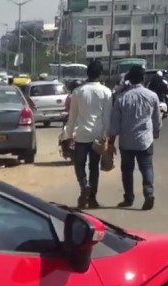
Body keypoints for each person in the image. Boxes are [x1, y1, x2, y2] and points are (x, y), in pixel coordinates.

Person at [107, 66, 161, 210]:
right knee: (147, 167)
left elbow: (114, 126)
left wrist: (110, 142)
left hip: (126, 141)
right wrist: (156, 132)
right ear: (143, 79)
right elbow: (157, 119)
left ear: (129, 80)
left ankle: (129, 198)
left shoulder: (121, 99)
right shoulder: (152, 96)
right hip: (145, 140)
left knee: (127, 170)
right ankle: (148, 194)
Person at [64, 60, 113, 209]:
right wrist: (107, 137)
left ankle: (84, 185)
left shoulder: (78, 92)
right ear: (100, 74)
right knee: (94, 167)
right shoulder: (106, 92)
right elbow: (107, 117)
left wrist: (67, 136)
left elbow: (72, 117)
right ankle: (92, 197)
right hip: (97, 135)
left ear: (87, 73)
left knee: (79, 164)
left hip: (82, 135)